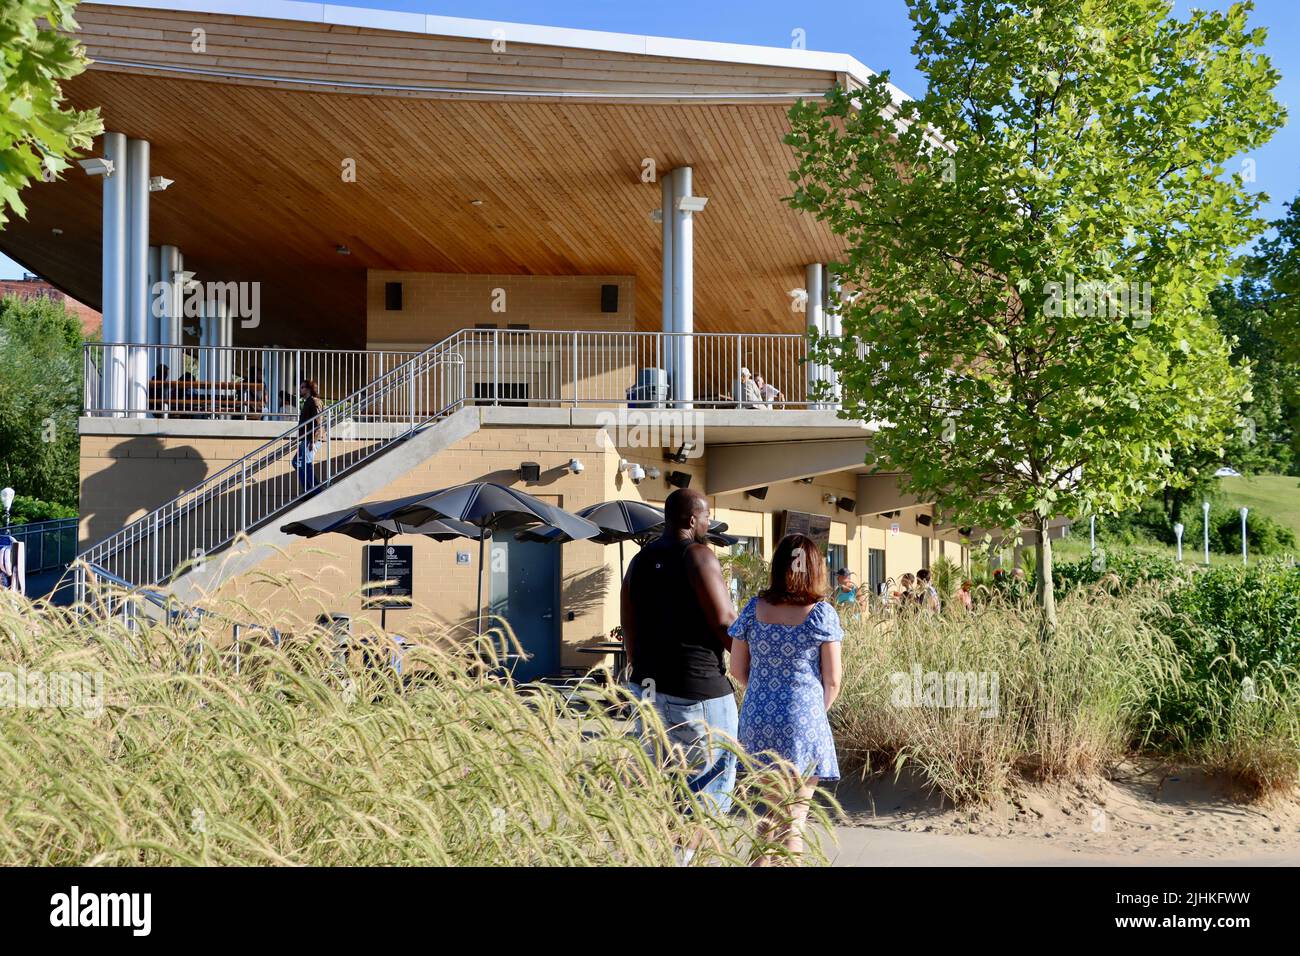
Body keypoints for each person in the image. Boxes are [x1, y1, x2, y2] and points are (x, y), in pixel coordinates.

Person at [621, 487, 739, 858]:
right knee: (708, 789)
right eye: (705, 517)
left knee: (671, 786)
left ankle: (671, 856)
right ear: (691, 520)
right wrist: (753, 662)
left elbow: (630, 632)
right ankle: (682, 859)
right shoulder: (699, 556)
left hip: (648, 689)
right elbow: (725, 622)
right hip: (698, 693)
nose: (708, 523)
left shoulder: (639, 561)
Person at [728, 533, 843, 864]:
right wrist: (811, 712)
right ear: (816, 569)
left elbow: (737, 668)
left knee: (770, 816)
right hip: (801, 720)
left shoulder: (753, 608)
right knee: (793, 822)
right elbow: (833, 680)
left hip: (758, 718)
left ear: (778, 567)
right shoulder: (821, 614)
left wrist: (767, 690)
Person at [295, 379, 325, 492]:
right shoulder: (307, 401)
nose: (300, 389)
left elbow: (318, 422)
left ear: (308, 389)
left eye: (302, 387)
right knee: (296, 462)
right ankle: (308, 490)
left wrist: (313, 440)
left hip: (312, 439)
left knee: (306, 464)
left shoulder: (314, 401)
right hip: (306, 439)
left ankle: (317, 490)